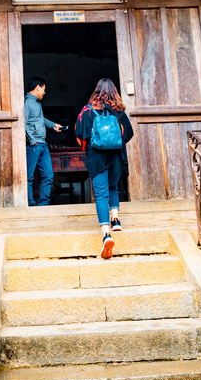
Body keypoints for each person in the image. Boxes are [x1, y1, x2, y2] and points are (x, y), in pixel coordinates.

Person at [75, 78, 134, 258]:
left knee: (101, 194)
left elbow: (80, 135)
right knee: (113, 187)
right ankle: (115, 220)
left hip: (97, 158)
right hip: (116, 157)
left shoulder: (88, 111)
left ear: (96, 91)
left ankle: (106, 235)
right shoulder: (119, 112)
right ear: (114, 92)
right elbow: (129, 134)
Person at [24, 76, 65, 206]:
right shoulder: (27, 103)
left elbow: (40, 120)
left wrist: (53, 125)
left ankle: (43, 205)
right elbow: (23, 124)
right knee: (29, 177)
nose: (44, 92)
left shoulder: (37, 103)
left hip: (43, 145)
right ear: (37, 87)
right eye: (43, 89)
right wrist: (32, 141)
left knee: (48, 175)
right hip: (34, 145)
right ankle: (30, 204)